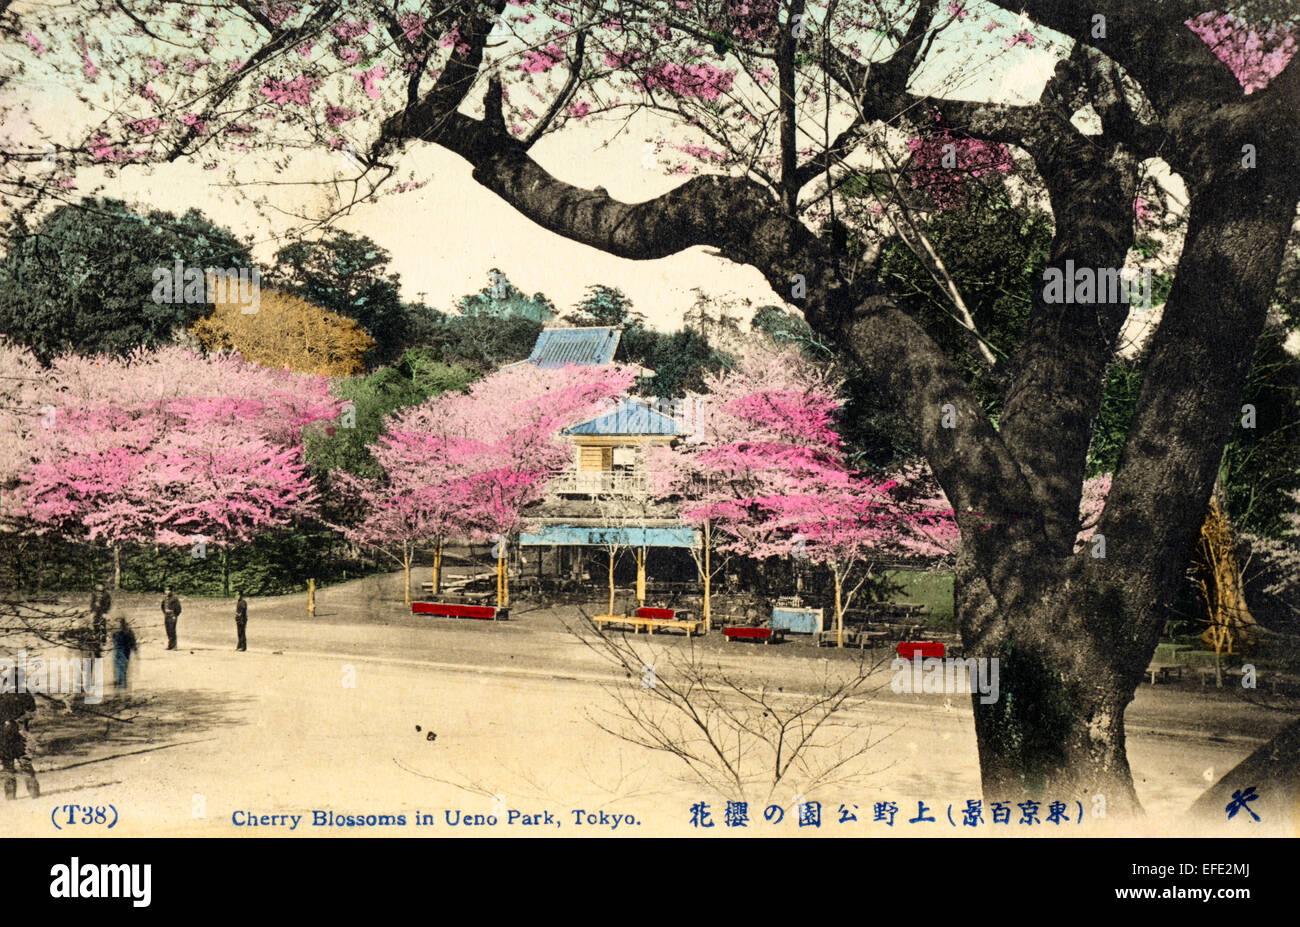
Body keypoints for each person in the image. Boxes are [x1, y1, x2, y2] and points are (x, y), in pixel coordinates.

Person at [0, 692, 39, 800]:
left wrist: (18, 721)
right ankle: (10, 796)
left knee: (25, 763)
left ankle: (34, 793)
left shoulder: (22, 692)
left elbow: (32, 711)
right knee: (7, 766)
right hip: (3, 736)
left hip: (20, 734)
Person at [112, 617, 137, 691]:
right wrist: (134, 649)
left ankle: (120, 681)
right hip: (123, 650)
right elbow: (133, 641)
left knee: (119, 665)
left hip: (120, 650)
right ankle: (121, 681)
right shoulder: (128, 631)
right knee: (122, 665)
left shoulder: (117, 632)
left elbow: (114, 640)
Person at [88, 583, 111, 658]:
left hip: (102, 610)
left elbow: (108, 604)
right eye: (98, 591)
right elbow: (92, 603)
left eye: (101, 591)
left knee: (103, 624)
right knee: (95, 624)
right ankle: (96, 638)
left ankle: (103, 639)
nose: (99, 593)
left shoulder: (106, 595)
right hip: (96, 611)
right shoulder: (94, 594)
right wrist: (92, 611)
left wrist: (105, 612)